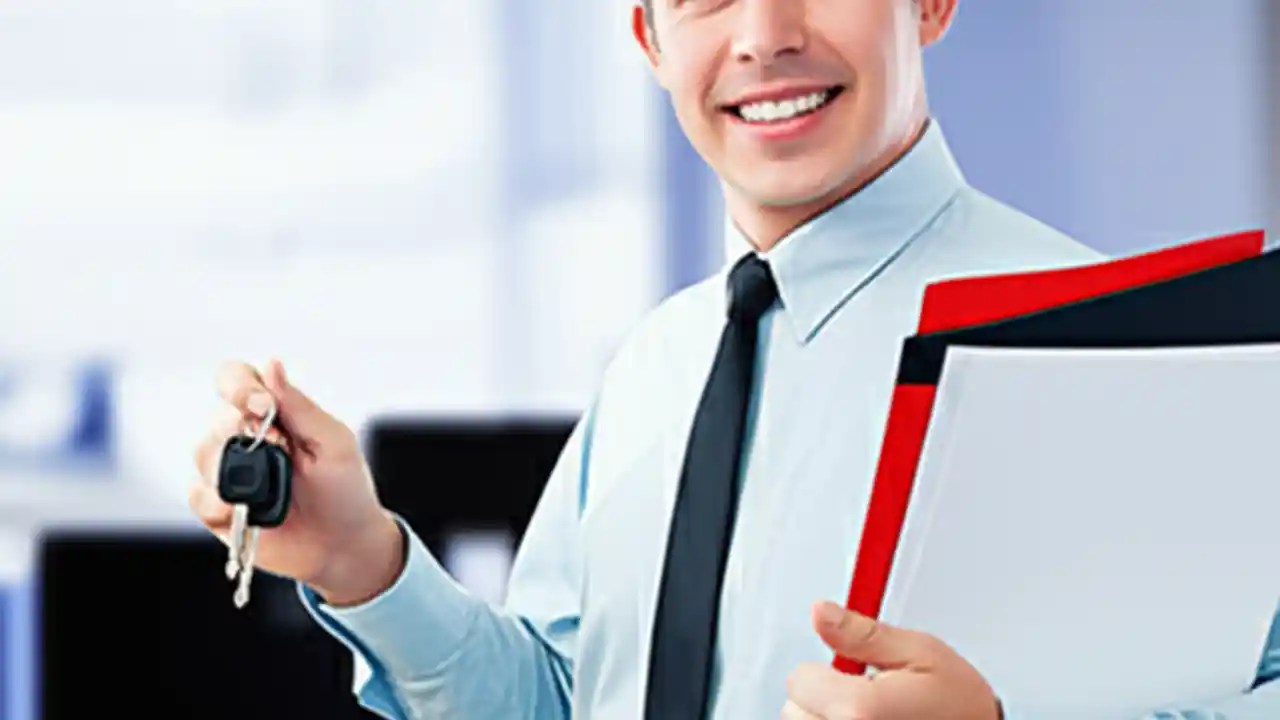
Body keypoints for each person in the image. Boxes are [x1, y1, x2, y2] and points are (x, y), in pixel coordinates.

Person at [191, 1, 1280, 718]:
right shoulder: (653, 371)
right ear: (649, 39)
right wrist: (360, 563)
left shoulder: (1116, 348)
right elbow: (563, 699)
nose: (762, 34)